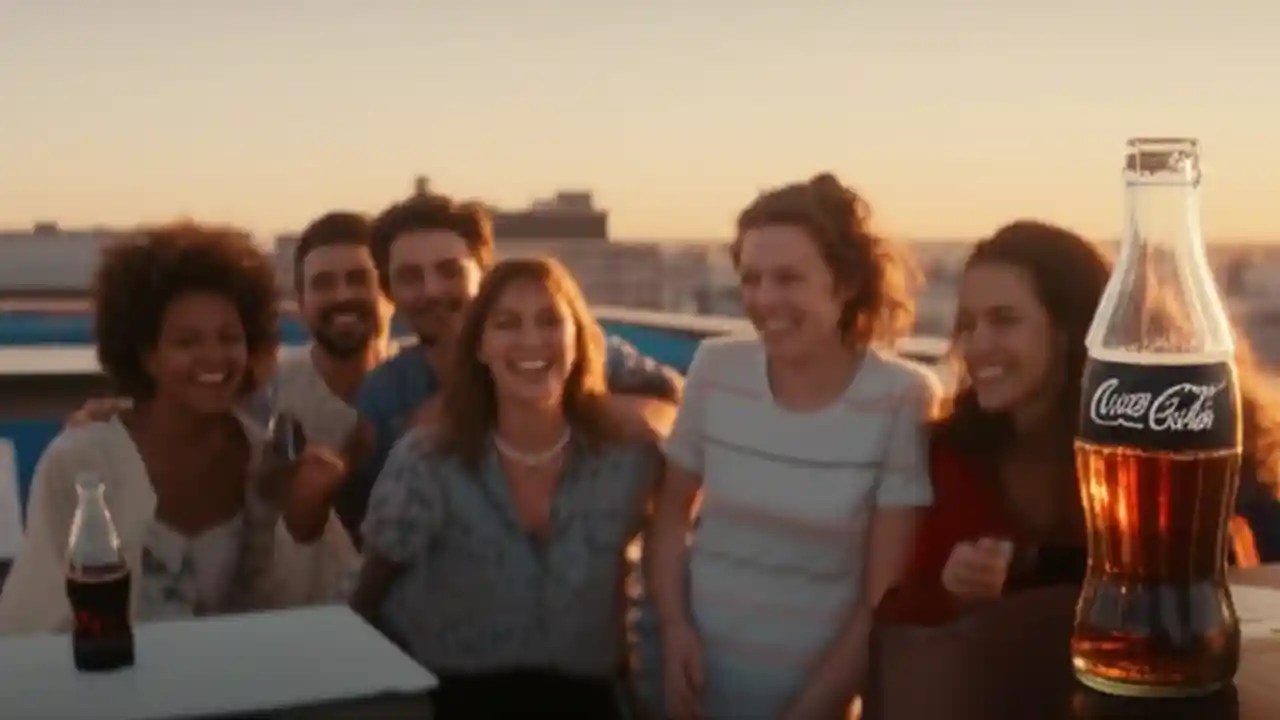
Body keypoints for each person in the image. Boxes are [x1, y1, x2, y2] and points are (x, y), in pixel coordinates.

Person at [876, 220, 1279, 628]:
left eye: (1004, 320)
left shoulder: (1156, 451)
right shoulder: (950, 455)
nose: (977, 345)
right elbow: (904, 623)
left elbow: (1228, 584)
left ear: (1071, 329)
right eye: (967, 325)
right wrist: (956, 593)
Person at [643, 173, 939, 720]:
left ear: (845, 283)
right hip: (692, 688)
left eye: (787, 279)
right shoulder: (714, 367)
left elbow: (883, 596)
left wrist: (814, 708)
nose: (763, 300)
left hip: (815, 702)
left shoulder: (902, 397)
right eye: (751, 279)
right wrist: (674, 629)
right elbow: (668, 519)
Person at [351, 257, 661, 719]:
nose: (531, 341)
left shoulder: (630, 458)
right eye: (507, 324)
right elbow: (368, 597)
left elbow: (658, 587)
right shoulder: (426, 461)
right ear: (480, 346)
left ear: (579, 339)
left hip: (589, 701)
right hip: (451, 700)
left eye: (550, 321)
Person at [0, 223, 307, 632]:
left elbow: (315, 597)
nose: (213, 356)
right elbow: (34, 620)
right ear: (147, 355)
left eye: (229, 337)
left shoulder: (265, 460)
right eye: (187, 341)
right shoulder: (79, 463)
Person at [333, 192, 683, 547]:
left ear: (484, 274)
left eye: (449, 270)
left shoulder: (567, 350)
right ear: (390, 292)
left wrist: (570, 408)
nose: (432, 290)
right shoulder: (387, 393)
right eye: (410, 277)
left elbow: (677, 416)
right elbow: (371, 527)